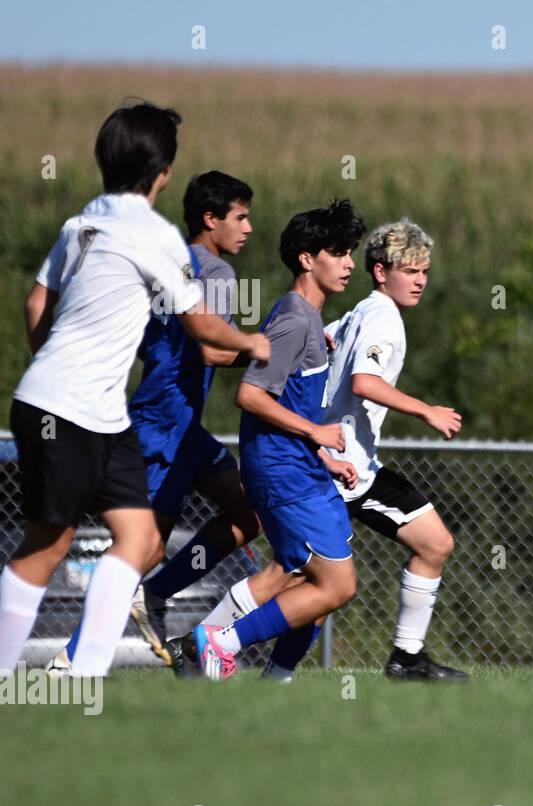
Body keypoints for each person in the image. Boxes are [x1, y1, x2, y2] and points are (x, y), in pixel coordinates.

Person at [0, 102, 269, 677]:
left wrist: (56, 359)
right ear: (164, 173)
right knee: (96, 544)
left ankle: (142, 610)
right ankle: (75, 661)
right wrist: (261, 345)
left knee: (168, 531)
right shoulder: (181, 253)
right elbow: (207, 340)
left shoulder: (83, 225)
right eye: (240, 217)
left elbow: (36, 305)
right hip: (148, 420)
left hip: (142, 418)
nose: (248, 227)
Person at [190, 200, 365, 681]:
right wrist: (315, 434)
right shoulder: (295, 318)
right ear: (307, 259)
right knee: (336, 585)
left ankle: (276, 680)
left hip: (302, 466)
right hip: (282, 471)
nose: (349, 262)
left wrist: (321, 456)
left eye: (351, 251)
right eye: (338, 251)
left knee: (309, 583)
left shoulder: (304, 318)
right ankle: (219, 640)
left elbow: (290, 398)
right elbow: (250, 395)